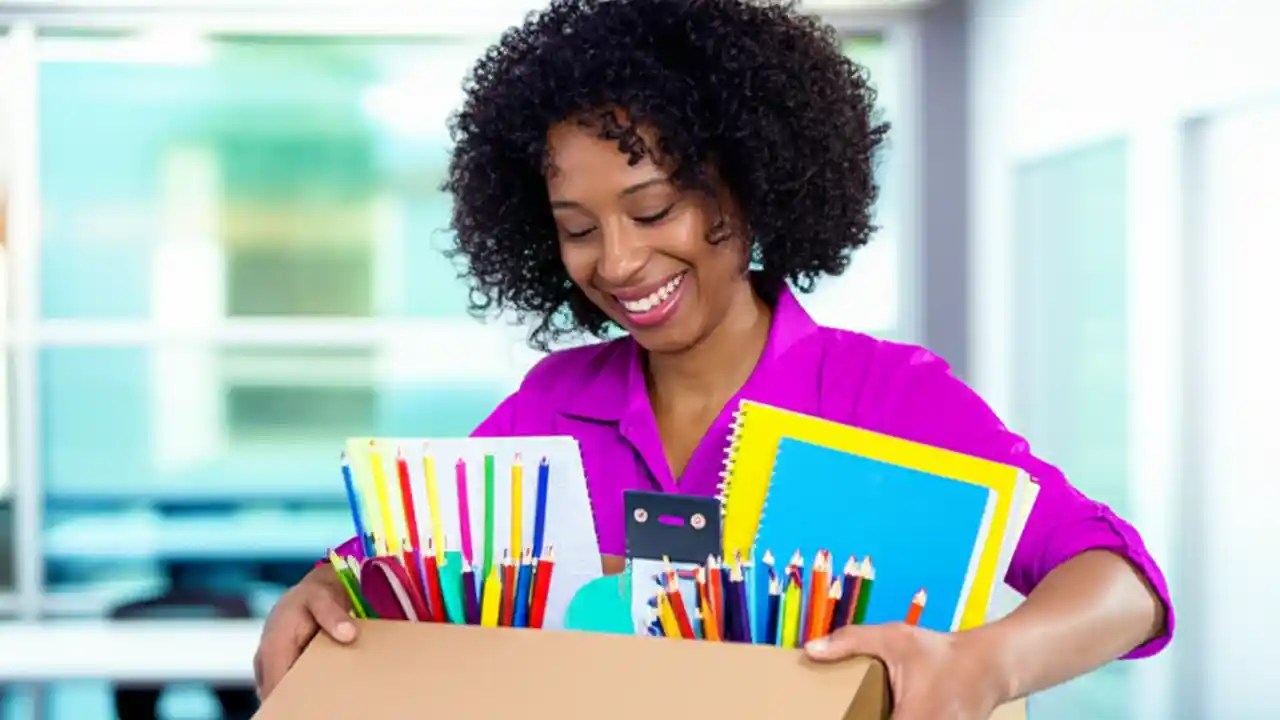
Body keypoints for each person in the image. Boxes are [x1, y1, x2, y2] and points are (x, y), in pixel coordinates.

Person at [253, 1, 1173, 715]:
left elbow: (1122, 583)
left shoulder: (888, 395)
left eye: (653, 211)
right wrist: (326, 587)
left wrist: (981, 663)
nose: (616, 262)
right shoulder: (553, 403)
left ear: (753, 180)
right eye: (577, 229)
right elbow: (407, 561)